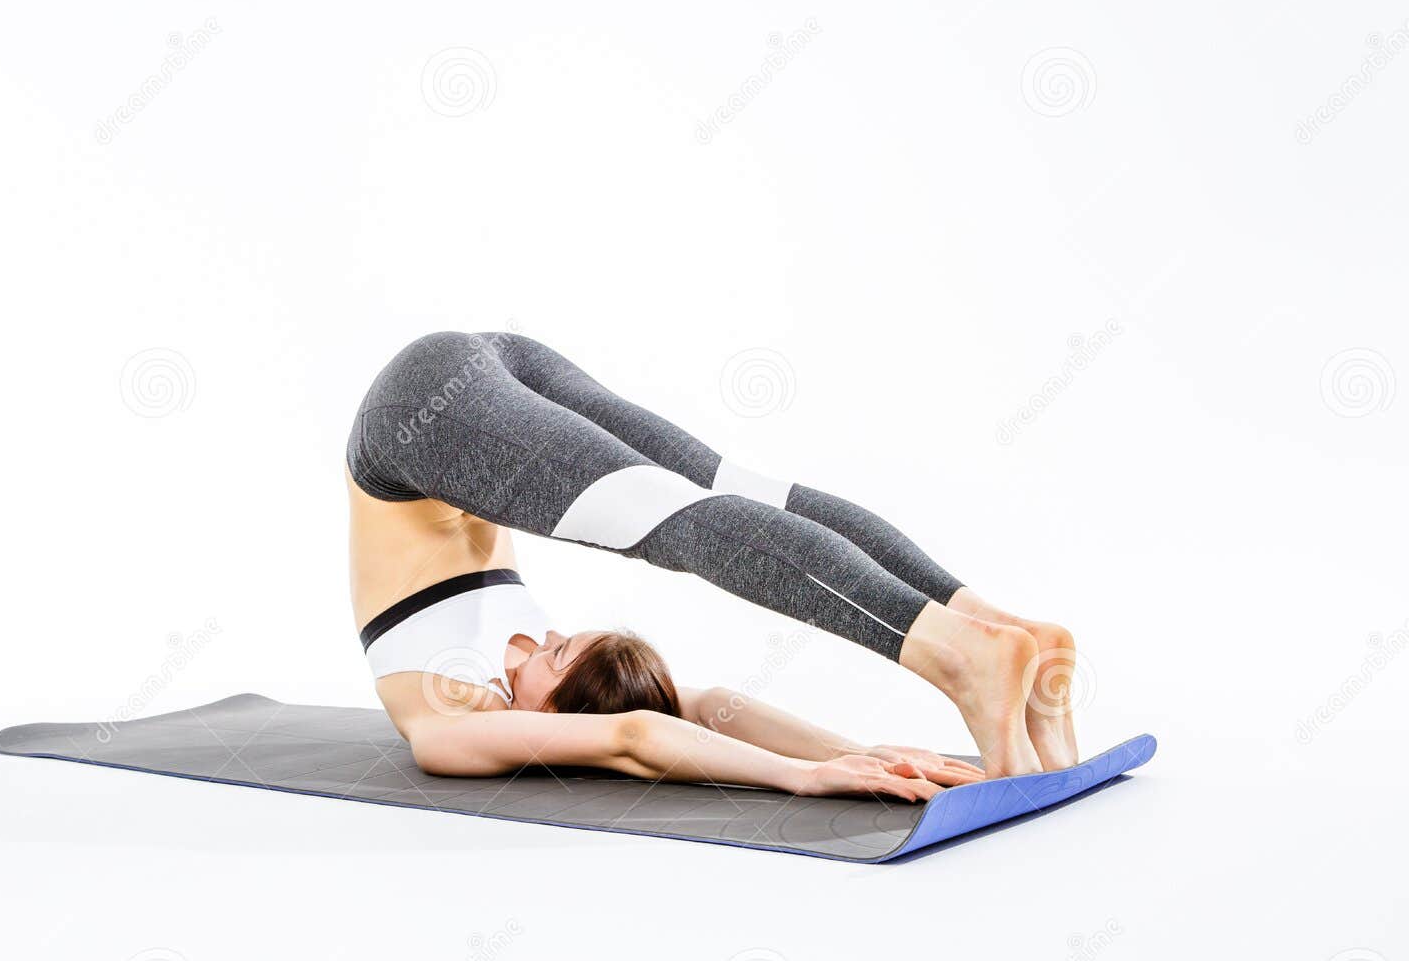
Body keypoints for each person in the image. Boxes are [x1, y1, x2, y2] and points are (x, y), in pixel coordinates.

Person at [348, 331, 1079, 800]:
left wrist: (813, 770)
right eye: (559, 647)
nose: (539, 640)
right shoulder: (514, 709)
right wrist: (849, 758)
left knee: (693, 517)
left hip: (419, 418)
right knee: (730, 501)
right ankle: (1001, 636)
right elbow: (682, 713)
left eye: (556, 650)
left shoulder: (451, 724)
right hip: (479, 389)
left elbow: (637, 732)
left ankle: (964, 655)